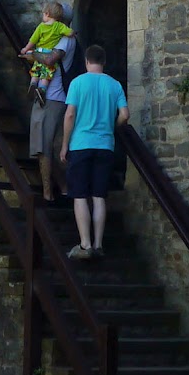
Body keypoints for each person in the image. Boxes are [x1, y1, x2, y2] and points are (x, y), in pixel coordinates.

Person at [60, 43, 129, 259]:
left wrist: (64, 144)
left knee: (80, 195)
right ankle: (98, 245)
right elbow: (125, 115)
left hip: (81, 144)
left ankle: (85, 244)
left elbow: (70, 114)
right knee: (99, 196)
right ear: (104, 62)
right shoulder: (115, 85)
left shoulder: (77, 83)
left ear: (86, 61)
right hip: (105, 145)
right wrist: (112, 126)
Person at [20, 3, 75, 202]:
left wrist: (31, 54)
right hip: (47, 97)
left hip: (52, 98)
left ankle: (48, 194)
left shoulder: (65, 39)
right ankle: (62, 188)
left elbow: (50, 59)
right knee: (43, 146)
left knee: (43, 146)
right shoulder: (55, 35)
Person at [21, 3, 73, 106]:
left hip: (54, 97)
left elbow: (49, 60)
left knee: (37, 69)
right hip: (49, 98)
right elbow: (70, 32)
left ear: (47, 14)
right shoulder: (59, 28)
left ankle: (34, 84)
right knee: (46, 73)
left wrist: (30, 52)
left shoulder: (63, 38)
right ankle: (41, 89)